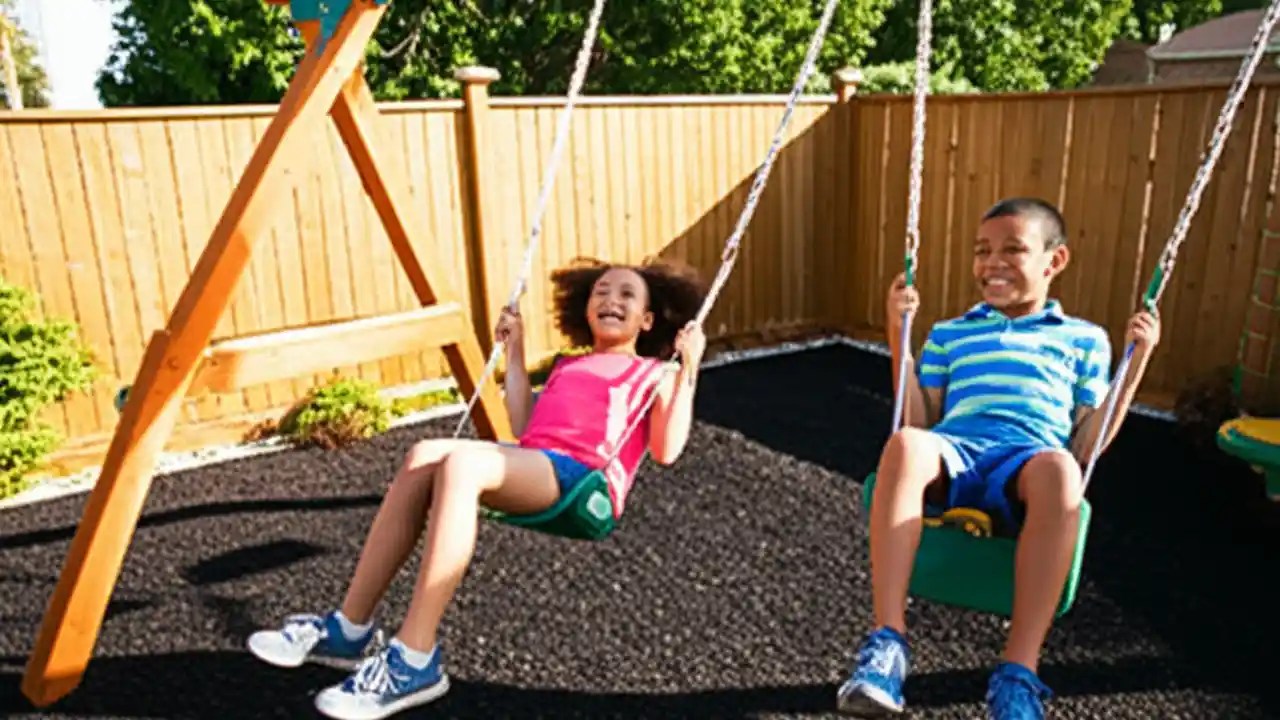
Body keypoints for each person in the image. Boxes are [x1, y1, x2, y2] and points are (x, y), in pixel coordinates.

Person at [246, 257, 708, 720]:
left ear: (647, 320)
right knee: (424, 454)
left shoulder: (655, 373)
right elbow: (525, 427)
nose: (611, 300)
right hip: (540, 465)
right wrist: (515, 351)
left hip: (584, 485)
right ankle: (349, 627)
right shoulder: (569, 366)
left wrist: (687, 370)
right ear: (586, 309)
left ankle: (414, 658)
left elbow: (666, 450)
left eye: (627, 294)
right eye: (602, 292)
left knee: (464, 463)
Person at [836, 197, 1162, 719]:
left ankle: (1018, 673)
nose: (993, 263)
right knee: (903, 446)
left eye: (1013, 249)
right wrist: (899, 339)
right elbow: (917, 421)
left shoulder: (1084, 340)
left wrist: (1135, 364)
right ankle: (887, 647)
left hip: (1029, 461)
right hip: (957, 450)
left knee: (1061, 471)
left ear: (1054, 261)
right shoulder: (951, 333)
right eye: (982, 250)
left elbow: (1085, 447)